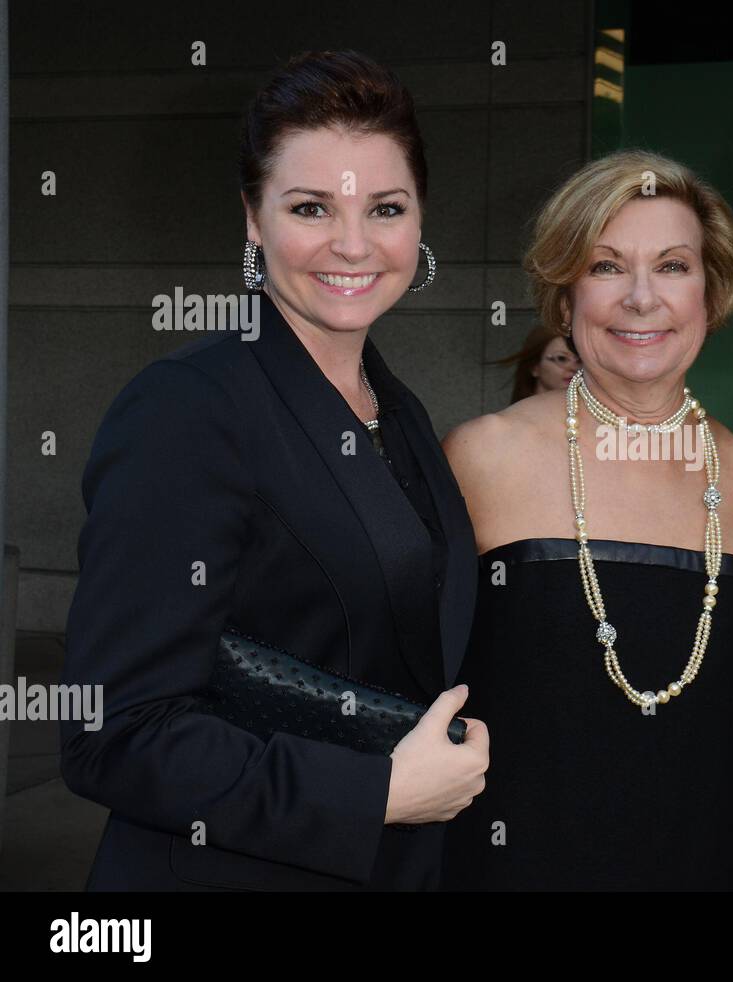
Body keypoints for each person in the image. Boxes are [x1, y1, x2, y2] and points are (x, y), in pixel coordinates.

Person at [59, 50, 488, 891]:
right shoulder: (186, 409)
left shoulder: (395, 410)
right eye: (310, 207)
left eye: (387, 208)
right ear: (253, 219)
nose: (353, 243)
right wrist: (373, 794)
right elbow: (110, 731)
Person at [439, 150, 733, 890]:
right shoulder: (482, 457)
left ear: (712, 292)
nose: (642, 299)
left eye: (673, 266)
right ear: (565, 299)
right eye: (606, 266)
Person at [497, 323, 582, 403]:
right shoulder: (512, 416)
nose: (573, 368)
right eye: (561, 358)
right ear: (535, 367)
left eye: (580, 360)